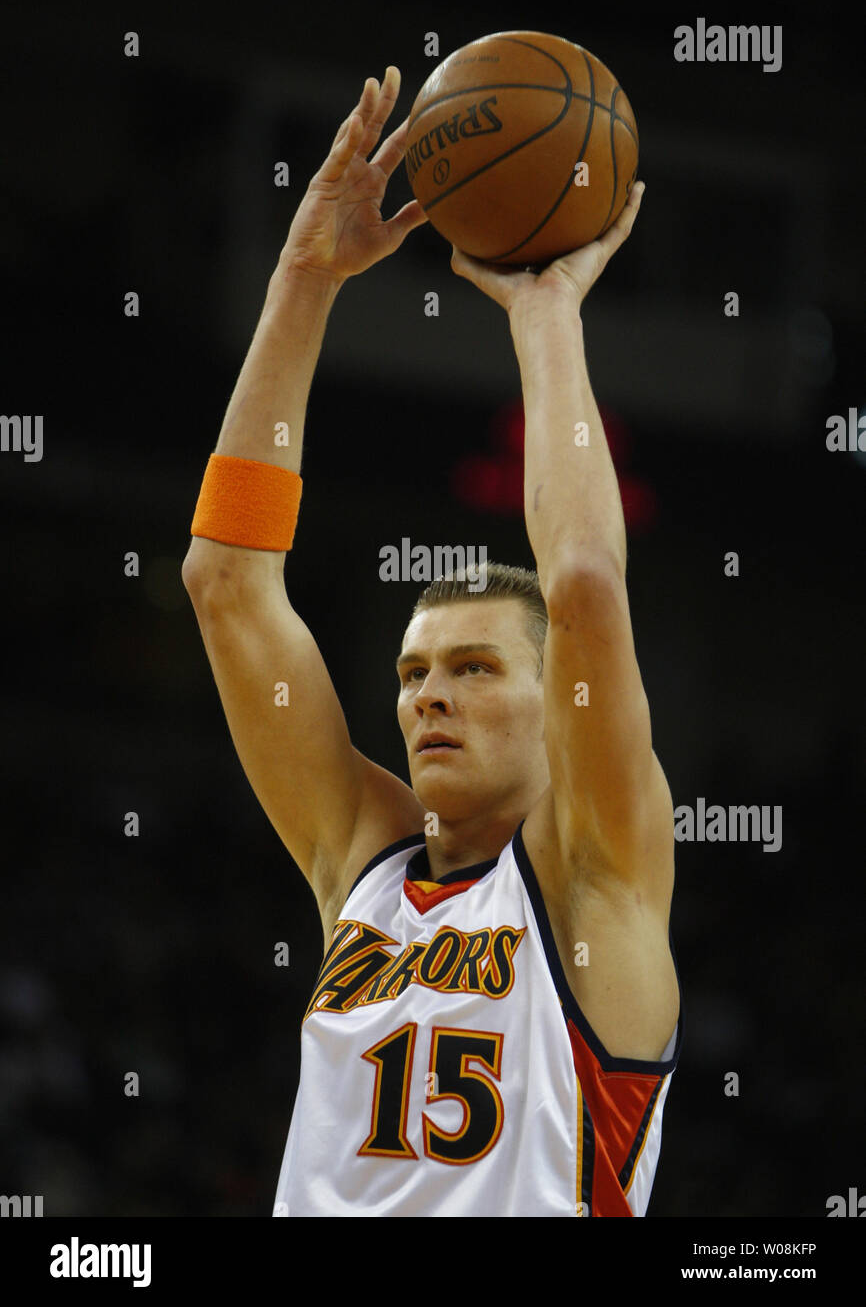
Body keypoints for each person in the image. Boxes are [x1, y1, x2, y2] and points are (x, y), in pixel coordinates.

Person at [182, 66, 681, 1217]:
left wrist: (545, 311)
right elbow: (225, 581)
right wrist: (305, 277)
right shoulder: (363, 854)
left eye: (470, 667)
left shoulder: (592, 874)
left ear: (558, 701)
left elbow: (585, 587)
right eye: (411, 674)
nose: (425, 699)